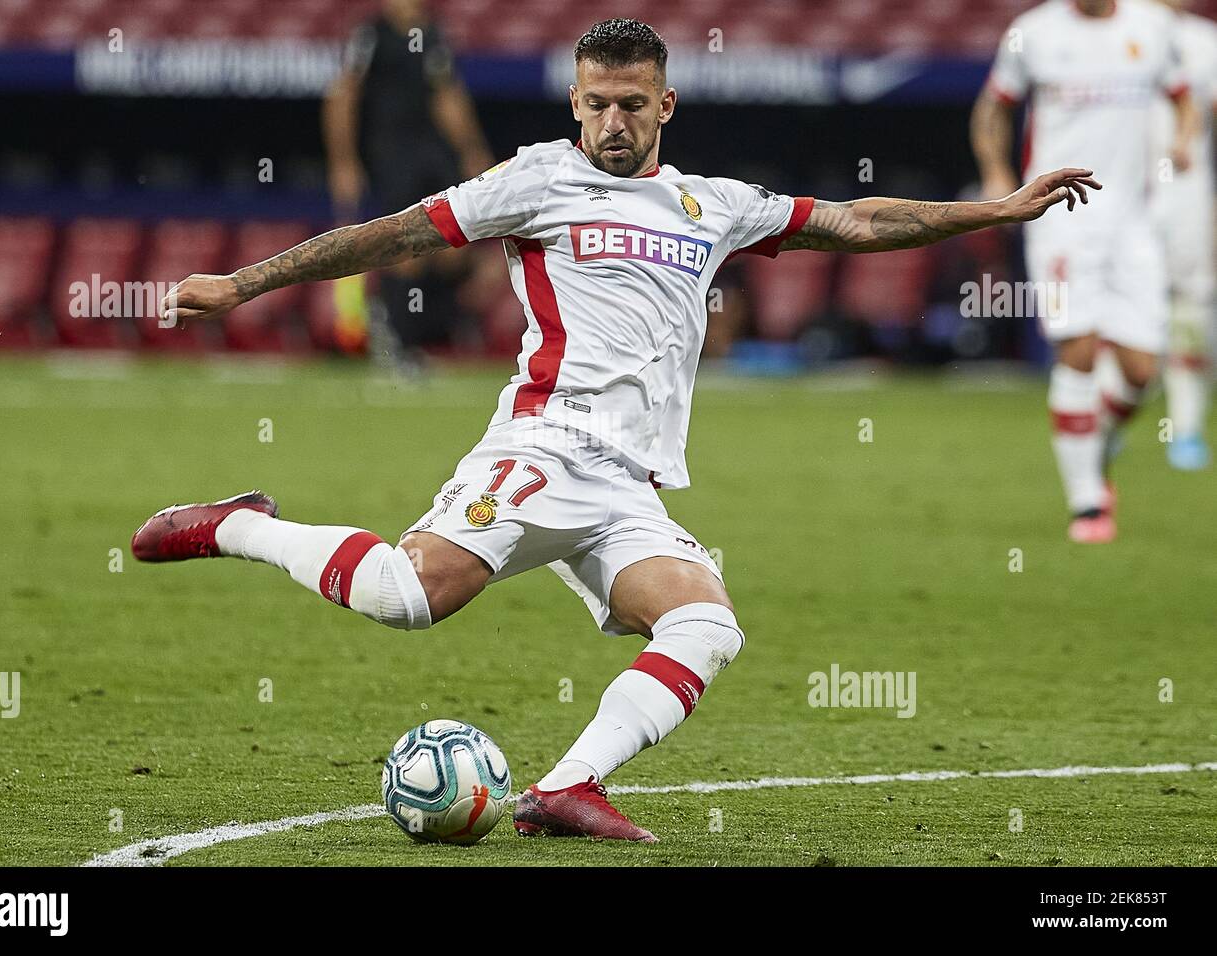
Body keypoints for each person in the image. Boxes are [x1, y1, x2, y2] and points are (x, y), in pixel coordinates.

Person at [138, 19, 1099, 841]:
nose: (612, 121)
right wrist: (244, 282)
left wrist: (999, 210)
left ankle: (566, 786)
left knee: (706, 625)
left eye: (631, 104)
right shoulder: (535, 182)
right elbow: (388, 235)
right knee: (406, 598)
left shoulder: (711, 205)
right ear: (573, 104)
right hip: (543, 446)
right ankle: (235, 523)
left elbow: (860, 222)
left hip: (627, 486)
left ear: (665, 105)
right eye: (596, 103)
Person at [971, 0, 1198, 542]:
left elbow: (1185, 98)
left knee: (1142, 372)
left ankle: (1094, 442)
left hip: (1133, 221)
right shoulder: (1034, 32)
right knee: (1078, 352)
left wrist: (1185, 138)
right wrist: (996, 170)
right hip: (1060, 219)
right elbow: (992, 109)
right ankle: (1088, 503)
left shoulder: (1152, 27)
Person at [322, 0, 493, 362]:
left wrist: (471, 148)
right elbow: (343, 95)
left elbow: (447, 95)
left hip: (434, 151)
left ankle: (425, 332)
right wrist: (343, 161)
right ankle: (396, 338)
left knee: (452, 246)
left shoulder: (432, 34)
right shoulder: (371, 35)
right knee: (404, 248)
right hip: (392, 151)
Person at [1152, 0, 1217, 470]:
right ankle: (1102, 420)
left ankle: (1186, 429)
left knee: (1189, 311)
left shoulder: (1205, 40)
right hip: (1114, 192)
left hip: (1187, 194)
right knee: (1111, 312)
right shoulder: (1107, 35)